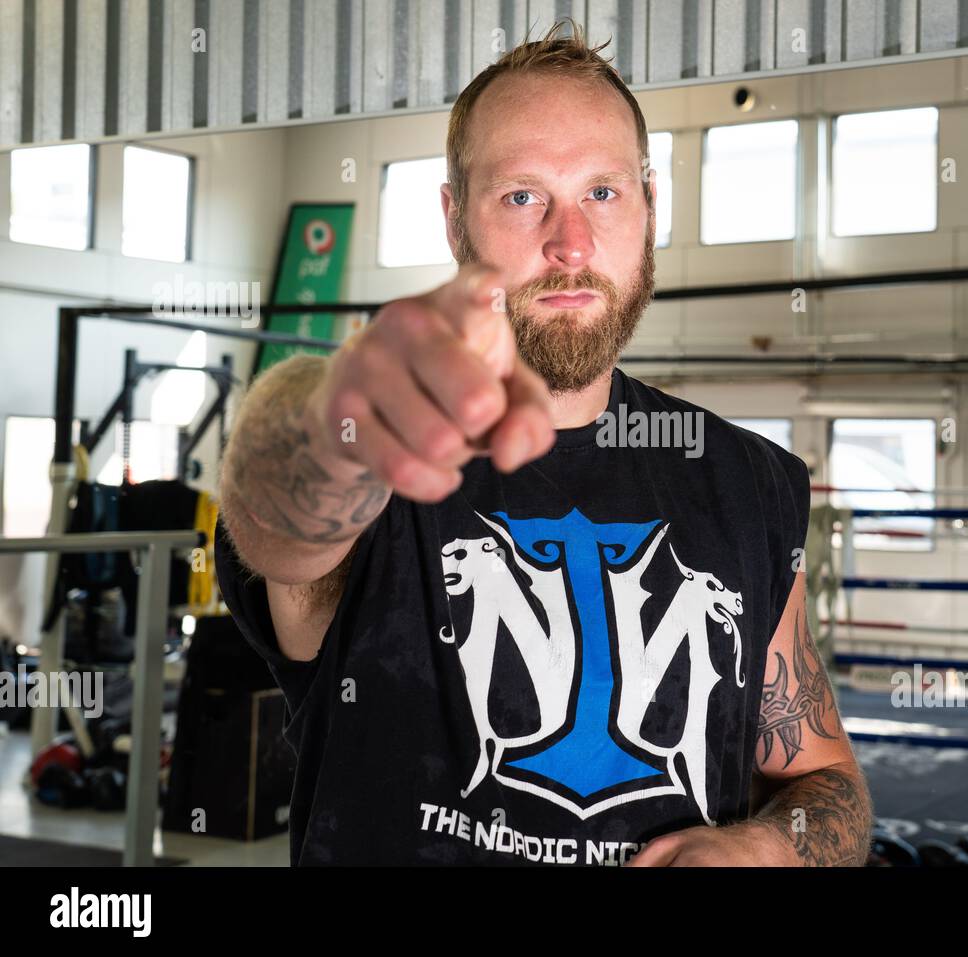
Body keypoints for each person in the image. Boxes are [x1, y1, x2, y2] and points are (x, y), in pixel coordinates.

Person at [214, 19, 870, 867]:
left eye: (602, 192)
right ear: (456, 222)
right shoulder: (385, 454)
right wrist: (336, 421)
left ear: (649, 208)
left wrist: (764, 849)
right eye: (523, 196)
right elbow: (279, 518)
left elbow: (825, 779)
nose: (571, 243)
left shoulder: (748, 480)